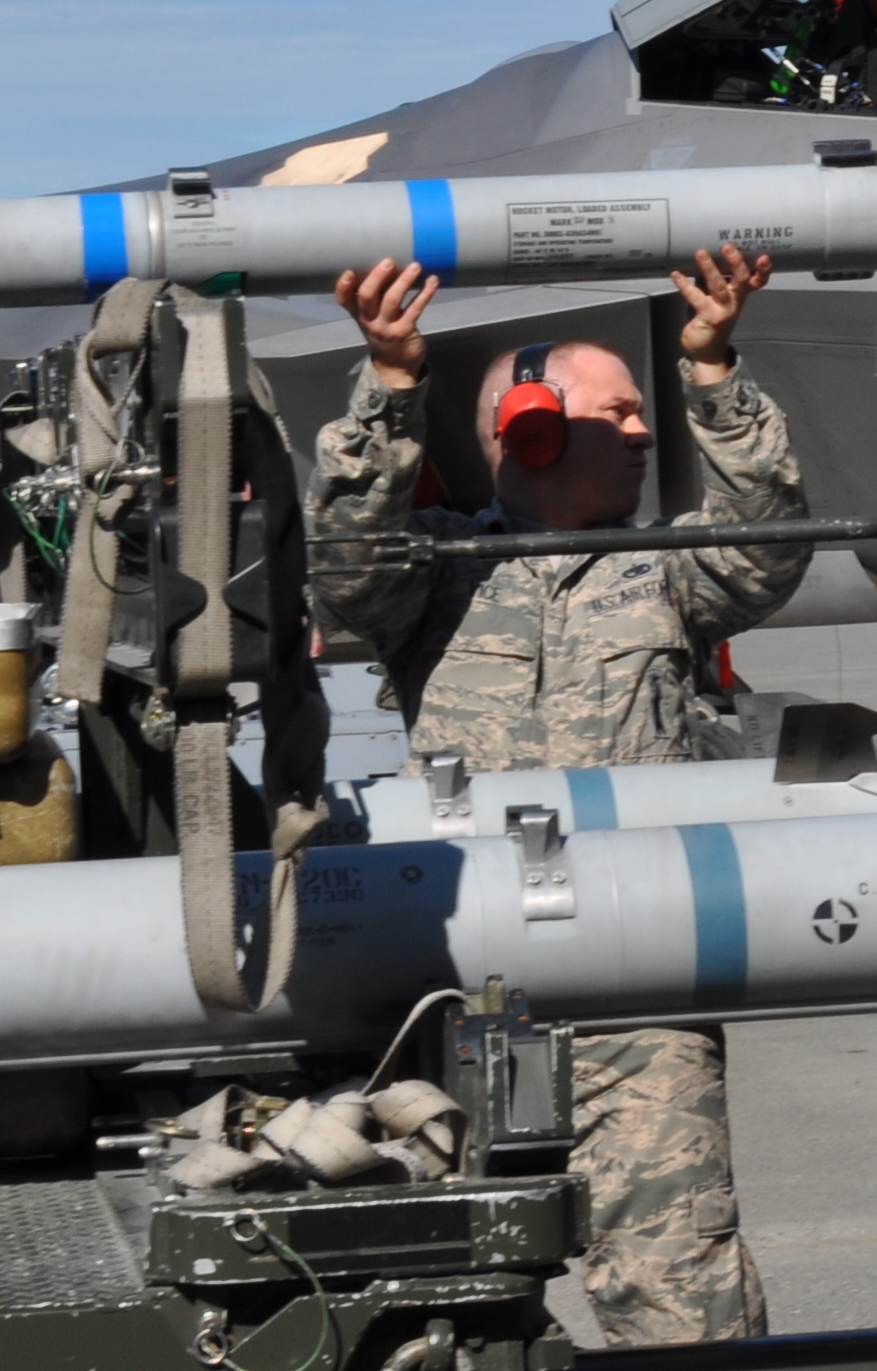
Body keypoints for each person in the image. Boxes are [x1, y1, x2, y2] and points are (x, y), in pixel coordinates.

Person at [310, 243, 807, 1346]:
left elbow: (763, 555)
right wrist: (391, 390)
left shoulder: (663, 571)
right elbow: (346, 571)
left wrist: (712, 371)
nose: (641, 433)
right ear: (530, 428)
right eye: (619, 413)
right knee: (451, 1283)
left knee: (679, 1285)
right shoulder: (431, 567)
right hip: (459, 990)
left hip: (634, 973)